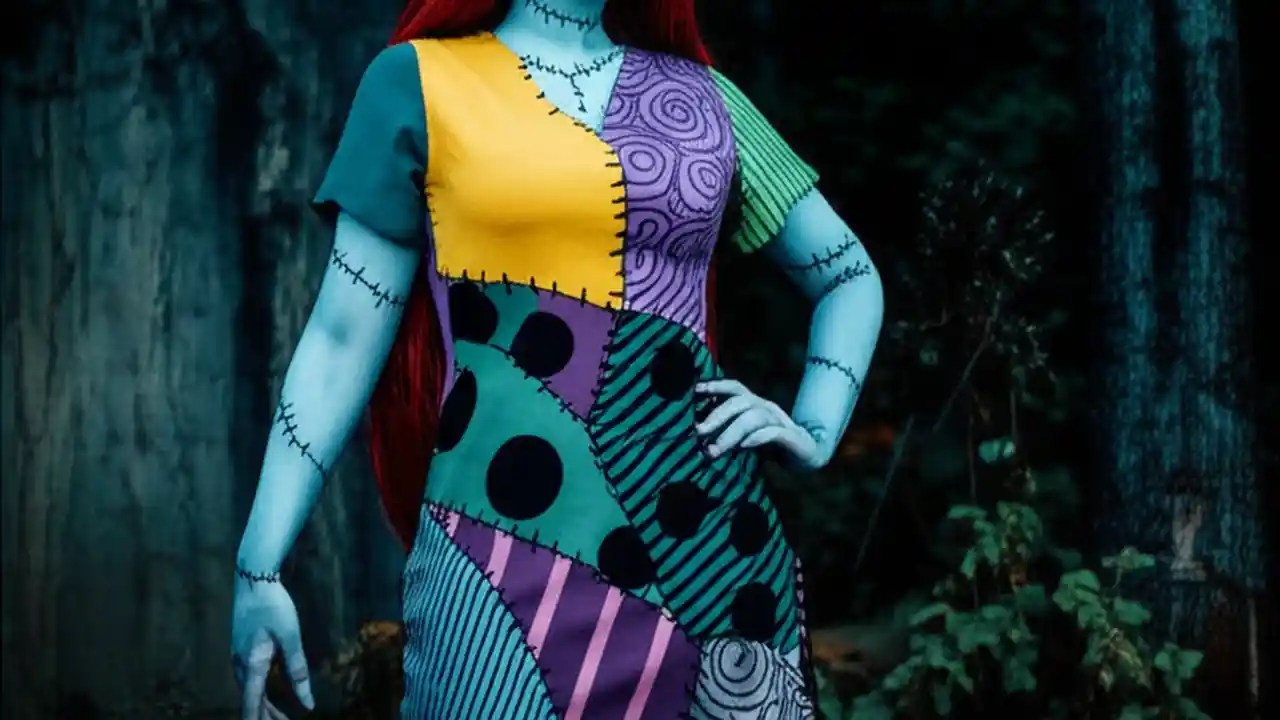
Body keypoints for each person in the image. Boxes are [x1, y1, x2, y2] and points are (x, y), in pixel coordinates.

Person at [230, 0, 884, 717]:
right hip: (495, 571)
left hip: (714, 566)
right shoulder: (418, 83)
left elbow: (847, 274)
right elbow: (340, 338)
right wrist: (259, 563)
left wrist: (814, 429)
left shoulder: (706, 100)